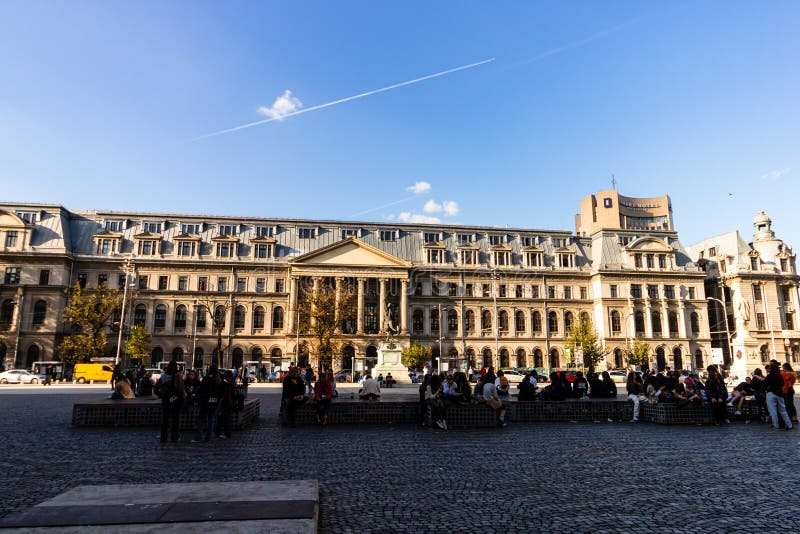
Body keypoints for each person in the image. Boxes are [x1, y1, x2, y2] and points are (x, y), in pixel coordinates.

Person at [157, 361, 185, 443]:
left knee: (165, 420)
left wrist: (161, 395)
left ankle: (163, 438)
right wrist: (182, 399)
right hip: (176, 400)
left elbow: (155, 388)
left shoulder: (163, 376)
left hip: (166, 400)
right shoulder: (178, 376)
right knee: (176, 420)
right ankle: (174, 437)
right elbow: (181, 389)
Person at [193, 365, 222, 442]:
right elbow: (220, 392)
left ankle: (198, 437)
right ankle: (208, 437)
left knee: (201, 420)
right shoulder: (218, 379)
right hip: (214, 401)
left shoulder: (206, 379)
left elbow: (201, 390)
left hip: (205, 402)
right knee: (211, 419)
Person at [765, 362, 793, 430]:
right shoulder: (779, 376)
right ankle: (789, 425)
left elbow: (765, 385)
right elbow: (782, 383)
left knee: (773, 411)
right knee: (783, 411)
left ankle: (776, 426)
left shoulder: (769, 376)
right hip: (779, 394)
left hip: (770, 393)